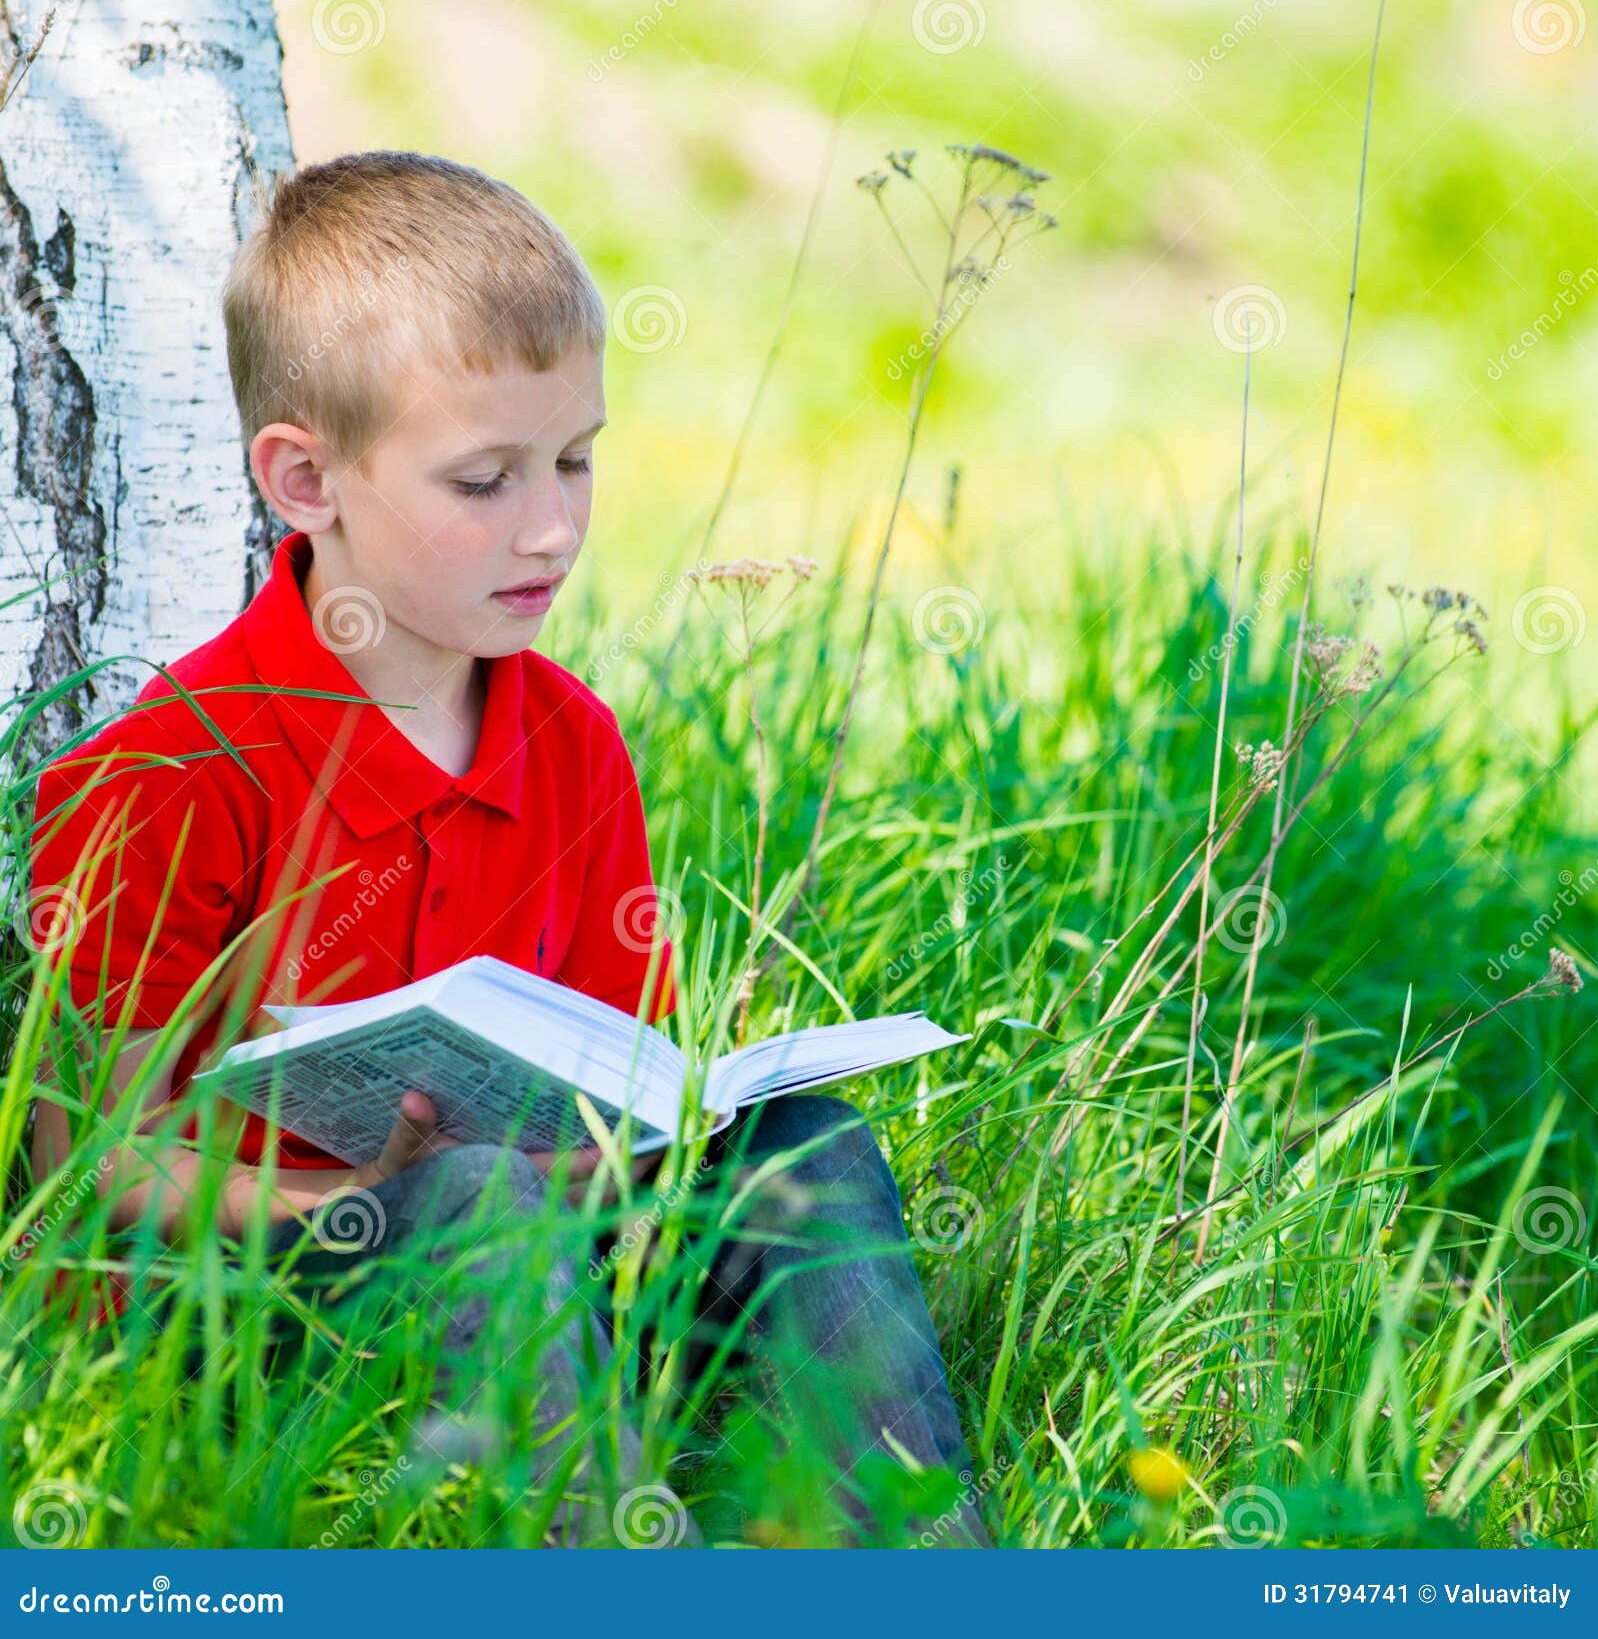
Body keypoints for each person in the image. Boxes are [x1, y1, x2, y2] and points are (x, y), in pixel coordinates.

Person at [27, 151, 989, 1547]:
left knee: (800, 1139)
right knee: (474, 1194)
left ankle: (922, 1559)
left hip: (536, 1263)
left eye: (577, 458)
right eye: (485, 479)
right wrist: (353, 1197)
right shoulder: (175, 770)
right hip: (243, 1314)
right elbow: (89, 1167)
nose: (553, 525)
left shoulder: (573, 741)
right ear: (306, 479)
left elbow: (619, 1082)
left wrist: (634, 1152)